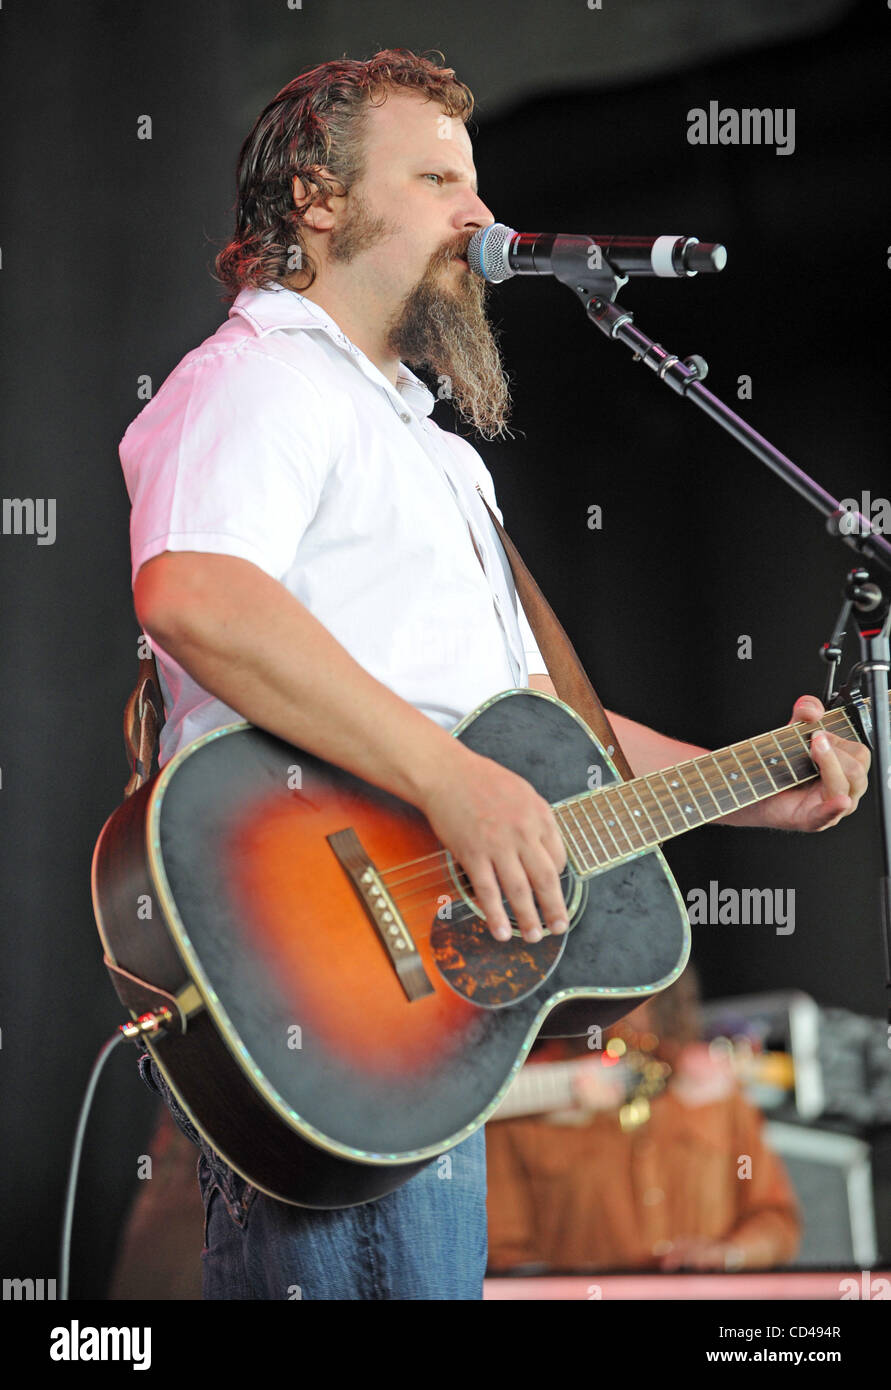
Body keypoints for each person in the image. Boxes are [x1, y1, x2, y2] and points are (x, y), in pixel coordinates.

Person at [119, 48, 870, 1300]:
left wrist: (757, 787)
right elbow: (196, 595)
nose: (483, 218)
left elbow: (548, 743)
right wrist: (449, 783)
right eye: (438, 180)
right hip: (328, 984)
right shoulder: (261, 379)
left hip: (432, 1011)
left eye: (478, 187)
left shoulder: (430, 449)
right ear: (317, 200)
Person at [486, 967, 802, 1273]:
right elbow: (504, 1254)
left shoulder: (721, 1097)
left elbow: (776, 1221)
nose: (627, 1007)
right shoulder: (521, 1101)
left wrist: (728, 1256)